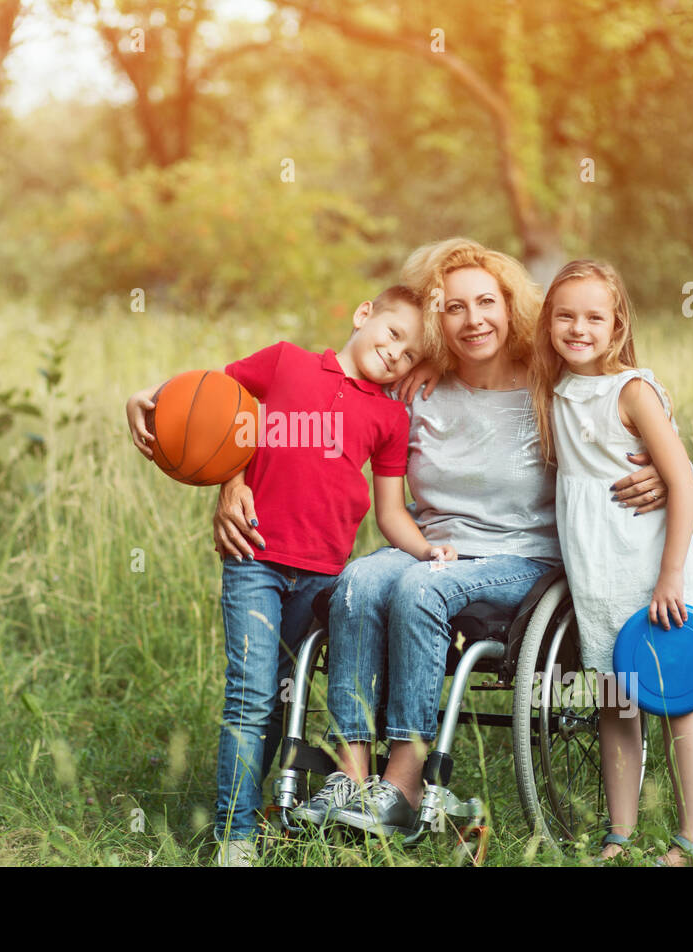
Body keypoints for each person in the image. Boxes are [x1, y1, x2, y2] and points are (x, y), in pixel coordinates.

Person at [214, 238, 671, 839]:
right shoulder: (418, 389)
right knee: (355, 580)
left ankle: (403, 783)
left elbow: (617, 406)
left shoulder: (548, 383)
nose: (473, 319)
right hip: (430, 549)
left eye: (485, 302)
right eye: (454, 308)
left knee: (422, 592)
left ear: (509, 306)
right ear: (436, 321)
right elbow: (302, 420)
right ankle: (352, 773)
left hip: (520, 558)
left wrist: (662, 472)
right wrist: (230, 476)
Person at [126, 285, 450, 866]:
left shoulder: (389, 416)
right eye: (393, 335)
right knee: (251, 696)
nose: (395, 354)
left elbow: (391, 512)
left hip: (325, 577)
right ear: (363, 314)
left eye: (408, 356)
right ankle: (236, 836)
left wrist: (428, 553)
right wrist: (140, 398)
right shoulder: (283, 363)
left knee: (286, 698)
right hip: (256, 560)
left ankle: (281, 805)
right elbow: (203, 403)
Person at [532, 259, 693, 865]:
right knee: (615, 699)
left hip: (651, 568)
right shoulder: (554, 389)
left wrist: (671, 575)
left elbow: (681, 476)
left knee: (676, 701)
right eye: (565, 316)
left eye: (593, 317)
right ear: (548, 322)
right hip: (596, 574)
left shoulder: (631, 389)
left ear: (617, 323)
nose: (578, 328)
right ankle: (621, 833)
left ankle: (692, 838)